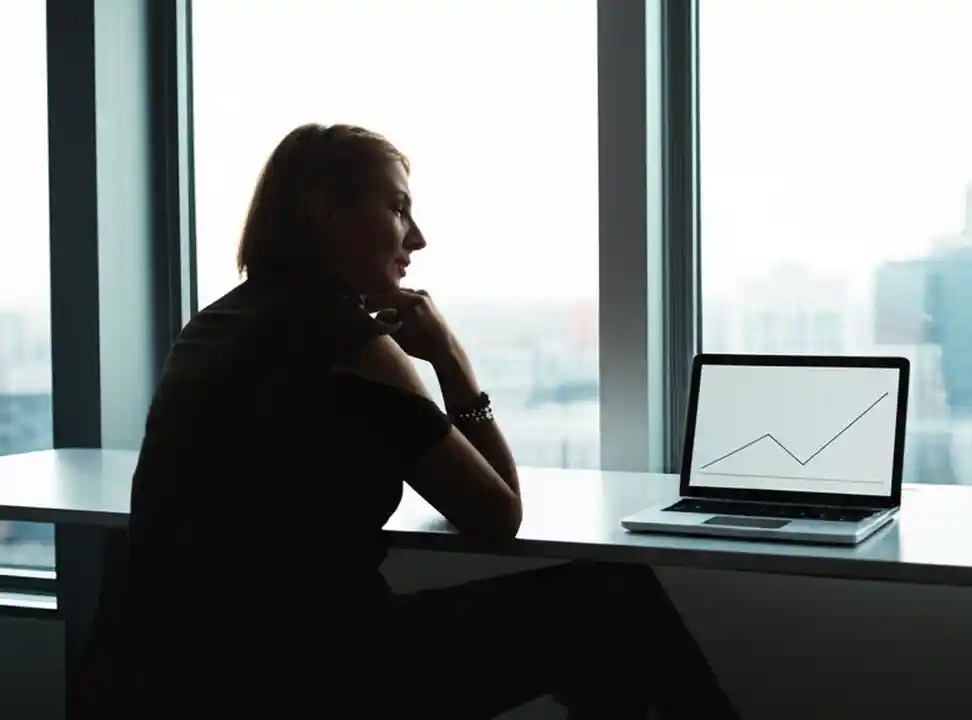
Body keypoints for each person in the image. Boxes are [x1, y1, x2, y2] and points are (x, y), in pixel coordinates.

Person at [118, 123, 737, 718]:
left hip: (161, 668)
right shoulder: (349, 344)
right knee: (611, 597)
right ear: (323, 212)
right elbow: (498, 515)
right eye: (397, 208)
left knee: (601, 632)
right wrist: (451, 360)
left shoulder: (211, 326)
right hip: (310, 676)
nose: (416, 239)